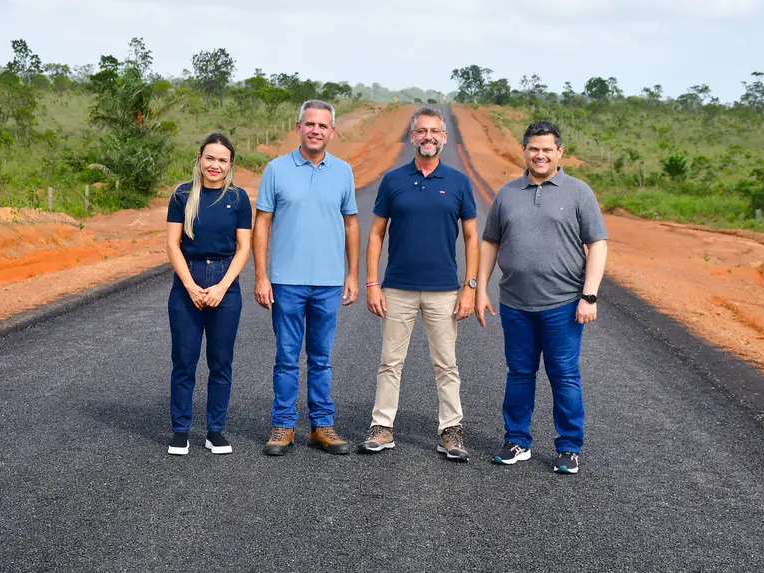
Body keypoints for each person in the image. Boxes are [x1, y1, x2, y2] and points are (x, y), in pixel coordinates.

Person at [476, 120, 608, 474]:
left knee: (564, 374)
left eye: (548, 149)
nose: (540, 155)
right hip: (515, 303)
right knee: (519, 373)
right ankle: (517, 441)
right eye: (534, 148)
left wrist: (589, 296)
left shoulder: (578, 192)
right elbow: (490, 242)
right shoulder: (506, 193)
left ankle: (569, 447)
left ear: (560, 152)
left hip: (563, 304)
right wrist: (479, 288)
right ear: (524, 150)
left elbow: (597, 244)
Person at [358, 106, 479, 462]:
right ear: (412, 137)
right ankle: (382, 427)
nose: (428, 137)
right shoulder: (393, 180)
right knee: (390, 362)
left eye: (434, 132)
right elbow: (376, 233)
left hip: (444, 289)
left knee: (446, 364)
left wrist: (470, 285)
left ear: (444, 137)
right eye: (421, 131)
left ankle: (451, 431)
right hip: (397, 288)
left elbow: (472, 236)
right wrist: (372, 282)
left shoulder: (458, 181)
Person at [253, 99, 360, 456]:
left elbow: (351, 223)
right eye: (309, 124)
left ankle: (321, 426)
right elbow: (262, 223)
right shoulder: (276, 169)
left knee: (321, 357)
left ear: (332, 131)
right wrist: (262, 275)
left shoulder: (343, 171)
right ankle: (283, 426)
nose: (315, 130)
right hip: (286, 281)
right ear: (298, 127)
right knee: (286, 356)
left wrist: (352, 275)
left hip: (329, 282)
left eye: (322, 125)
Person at [165, 132, 253, 456]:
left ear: (230, 164)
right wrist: (190, 285)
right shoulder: (182, 195)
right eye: (210, 158)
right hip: (187, 278)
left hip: (225, 282)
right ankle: (180, 430)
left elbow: (243, 248)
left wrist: (221, 287)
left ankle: (215, 430)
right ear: (200, 159)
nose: (215, 165)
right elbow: (172, 244)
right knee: (184, 360)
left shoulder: (239, 199)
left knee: (221, 361)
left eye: (222, 160)